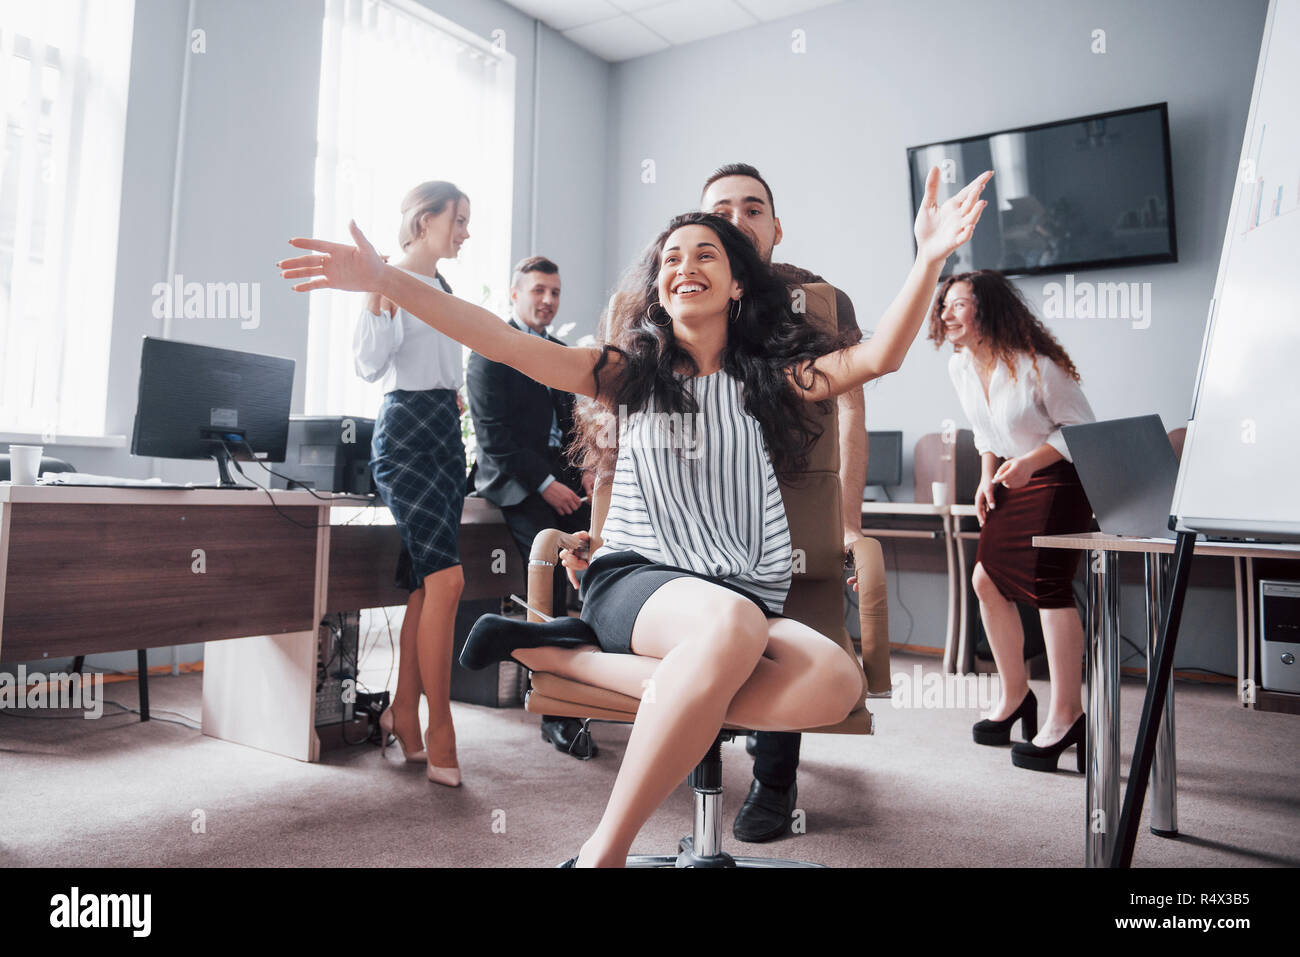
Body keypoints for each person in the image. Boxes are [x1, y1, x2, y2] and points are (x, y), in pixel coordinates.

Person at [279, 165, 991, 866]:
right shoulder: (624, 372)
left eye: (706, 253)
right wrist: (386, 279)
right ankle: (604, 852)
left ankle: (561, 653)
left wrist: (930, 257)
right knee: (732, 629)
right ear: (658, 288)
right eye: (671, 257)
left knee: (833, 680)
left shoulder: (770, 379)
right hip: (640, 580)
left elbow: (880, 357)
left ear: (737, 281)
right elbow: (501, 341)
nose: (687, 264)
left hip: (739, 596)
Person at [699, 162, 868, 842]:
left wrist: (847, 521)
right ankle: (704, 751)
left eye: (753, 208)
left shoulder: (817, 303)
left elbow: (852, 408)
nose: (739, 220)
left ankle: (774, 778)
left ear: (774, 226)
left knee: (788, 613)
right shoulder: (682, 291)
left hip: (788, 490)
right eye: (722, 209)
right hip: (702, 495)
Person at [928, 269, 1095, 772]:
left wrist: (1027, 464)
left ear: (988, 311)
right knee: (986, 582)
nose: (945, 313)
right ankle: (1016, 696)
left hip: (1059, 481)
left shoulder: (1038, 364)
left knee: (1049, 588)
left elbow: (1082, 432)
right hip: (1008, 478)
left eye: (958, 304)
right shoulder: (961, 365)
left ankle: (1068, 715)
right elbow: (985, 432)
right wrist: (985, 477)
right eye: (944, 306)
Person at [352, 180, 471, 788]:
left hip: (447, 439)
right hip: (404, 434)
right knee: (448, 580)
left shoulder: (445, 287)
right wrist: (376, 289)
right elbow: (370, 366)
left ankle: (403, 713)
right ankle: (441, 724)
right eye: (459, 220)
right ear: (426, 220)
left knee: (428, 586)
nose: (466, 232)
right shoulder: (391, 280)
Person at [465, 255, 597, 759]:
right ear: (515, 294)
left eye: (555, 292)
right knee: (550, 583)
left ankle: (605, 687)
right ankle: (555, 712)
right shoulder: (488, 352)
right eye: (538, 290)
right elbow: (494, 439)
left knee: (605, 562)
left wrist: (585, 469)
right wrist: (546, 485)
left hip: (564, 484)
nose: (547, 300)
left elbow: (575, 429)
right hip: (516, 486)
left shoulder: (560, 354)